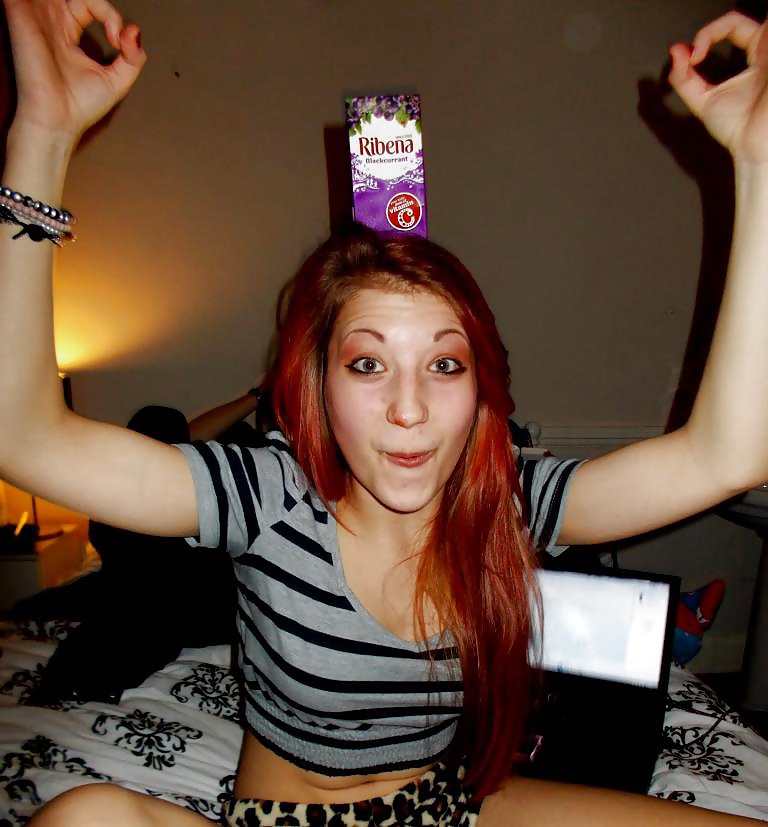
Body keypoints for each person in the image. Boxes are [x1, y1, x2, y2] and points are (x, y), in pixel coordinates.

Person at [0, 1, 767, 825]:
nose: (409, 408)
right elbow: (24, 436)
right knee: (84, 815)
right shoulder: (267, 496)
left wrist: (760, 160)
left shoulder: (505, 497)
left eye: (444, 364)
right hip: (292, 819)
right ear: (317, 383)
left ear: (480, 388)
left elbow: (729, 455)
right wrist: (43, 132)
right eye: (368, 364)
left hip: (447, 805)